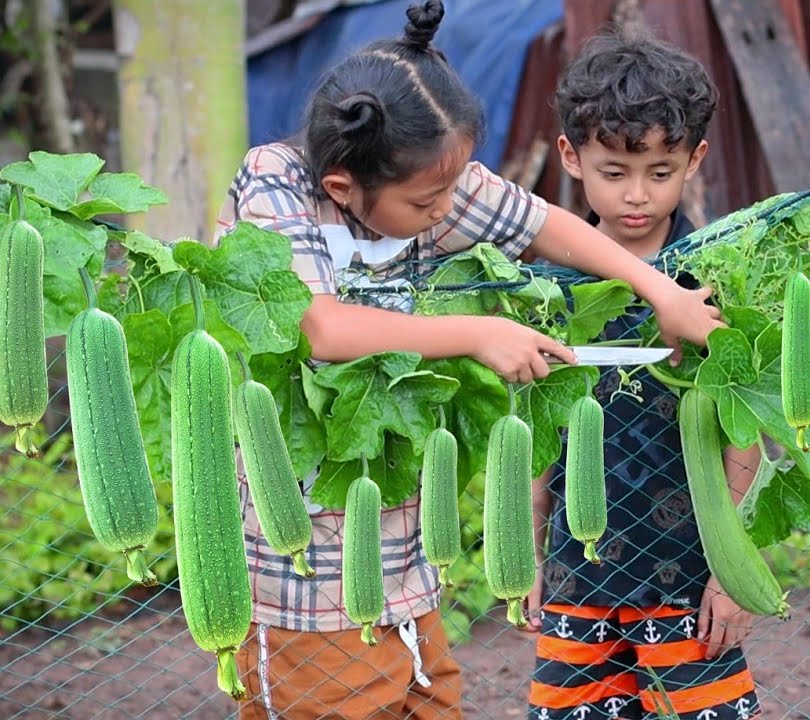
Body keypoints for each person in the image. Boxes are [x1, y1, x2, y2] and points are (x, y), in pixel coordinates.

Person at [213, 4, 721, 719]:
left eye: (456, 188)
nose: (451, 209)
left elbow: (547, 225)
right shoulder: (275, 183)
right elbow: (320, 327)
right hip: (298, 542)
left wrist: (659, 290)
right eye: (430, 201)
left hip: (402, 539)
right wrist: (477, 334)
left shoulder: (426, 179)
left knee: (429, 699)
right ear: (342, 188)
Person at [523, 31, 763, 720]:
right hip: (575, 569)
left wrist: (732, 570)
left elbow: (741, 430)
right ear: (570, 157)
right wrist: (528, 549)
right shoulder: (548, 290)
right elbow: (536, 430)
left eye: (660, 171)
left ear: (695, 160)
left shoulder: (715, 280)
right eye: (614, 171)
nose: (637, 194)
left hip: (688, 572)